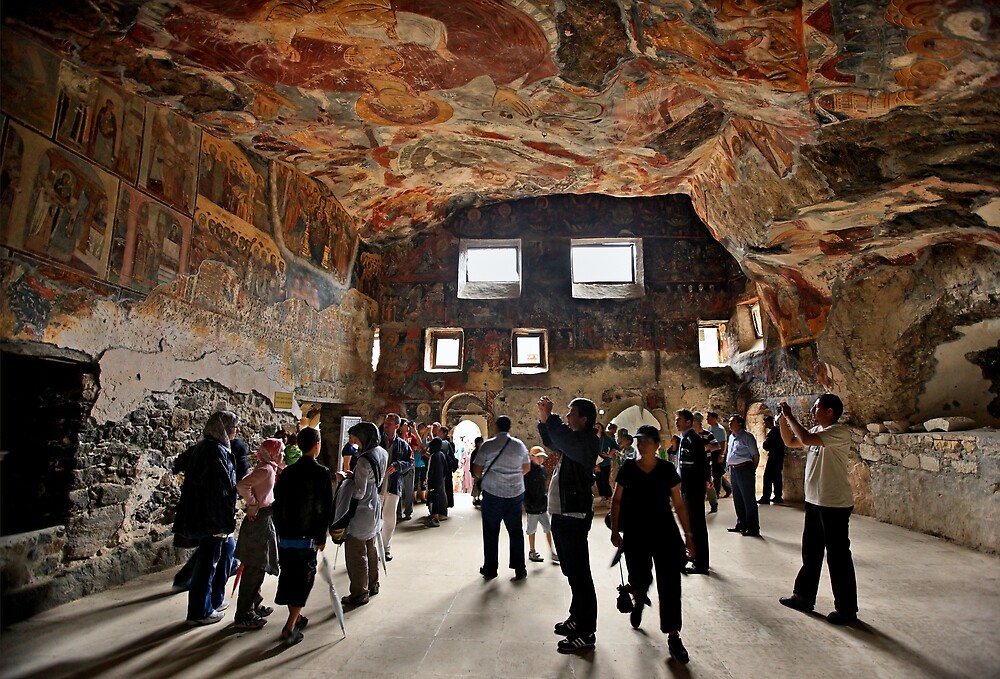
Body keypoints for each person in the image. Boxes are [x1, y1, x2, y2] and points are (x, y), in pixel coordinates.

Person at [610, 425, 694, 664]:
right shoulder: (628, 469)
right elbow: (616, 500)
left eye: (647, 441)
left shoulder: (667, 470)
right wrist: (615, 530)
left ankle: (673, 634)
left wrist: (688, 535)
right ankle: (638, 599)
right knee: (639, 576)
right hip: (636, 532)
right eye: (639, 441)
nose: (642, 445)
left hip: (664, 532)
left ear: (657, 445)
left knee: (670, 584)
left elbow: (678, 504)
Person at [777, 395, 859, 625]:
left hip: (834, 504)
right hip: (815, 501)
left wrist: (791, 416)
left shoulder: (838, 432)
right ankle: (803, 596)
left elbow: (804, 437)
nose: (813, 410)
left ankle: (846, 608)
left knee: (838, 556)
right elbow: (791, 441)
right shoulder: (816, 430)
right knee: (811, 552)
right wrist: (783, 421)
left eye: (817, 407)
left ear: (830, 411)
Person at [536, 396, 600, 654]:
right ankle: (576, 617)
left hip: (573, 515)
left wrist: (551, 418)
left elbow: (561, 436)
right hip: (563, 513)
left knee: (580, 574)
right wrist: (544, 420)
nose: (567, 417)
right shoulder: (573, 442)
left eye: (571, 413)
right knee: (572, 572)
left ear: (584, 419)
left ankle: (586, 632)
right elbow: (552, 440)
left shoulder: (586, 442)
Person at [172, 411, 240, 625]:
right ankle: (200, 611)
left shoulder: (204, 447)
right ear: (225, 429)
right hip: (211, 518)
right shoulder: (216, 452)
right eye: (233, 427)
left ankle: (208, 603)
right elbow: (220, 490)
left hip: (204, 516)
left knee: (210, 561)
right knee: (207, 565)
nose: (236, 431)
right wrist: (224, 521)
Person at [272, 426, 334, 645]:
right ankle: (290, 626)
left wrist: (279, 529)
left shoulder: (288, 472)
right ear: (317, 446)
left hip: (287, 535)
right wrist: (321, 535)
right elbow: (325, 507)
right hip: (307, 537)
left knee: (289, 575)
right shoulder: (322, 473)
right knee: (302, 580)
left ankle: (296, 617)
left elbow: (277, 503)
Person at [334, 421, 388, 606]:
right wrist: (354, 476)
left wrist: (345, 480)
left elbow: (359, 491)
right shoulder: (382, 452)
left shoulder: (364, 459)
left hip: (362, 508)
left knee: (356, 552)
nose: (354, 441)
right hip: (374, 502)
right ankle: (373, 584)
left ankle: (359, 592)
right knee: (371, 545)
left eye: (356, 438)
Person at [233, 437, 285, 629]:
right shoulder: (266, 469)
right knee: (255, 566)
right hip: (260, 520)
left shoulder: (270, 467)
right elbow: (242, 485)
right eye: (279, 452)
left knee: (259, 565)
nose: (282, 455)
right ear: (271, 453)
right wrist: (253, 504)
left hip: (265, 517)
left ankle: (254, 604)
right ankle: (244, 614)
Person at [473, 415, 531, 581]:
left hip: (492, 493)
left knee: (491, 531)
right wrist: (511, 476)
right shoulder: (519, 445)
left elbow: (477, 471)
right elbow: (526, 468)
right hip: (515, 493)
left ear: (497, 427)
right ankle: (520, 568)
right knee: (515, 531)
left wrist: (493, 475)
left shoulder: (488, 445)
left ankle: (490, 568)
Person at [675, 409, 711, 575]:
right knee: (692, 523)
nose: (677, 422)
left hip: (693, 488)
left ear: (688, 422)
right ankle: (696, 555)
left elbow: (702, 463)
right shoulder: (684, 439)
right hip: (687, 487)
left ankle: (701, 563)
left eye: (679, 419)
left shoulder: (693, 439)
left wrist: (705, 480)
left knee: (697, 525)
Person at [380, 413, 413, 559]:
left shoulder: (403, 445)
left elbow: (409, 463)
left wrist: (397, 465)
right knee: (373, 517)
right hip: (377, 486)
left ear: (397, 426)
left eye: (390, 423)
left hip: (393, 485)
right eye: (386, 423)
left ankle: (386, 547)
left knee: (389, 518)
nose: (386, 425)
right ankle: (374, 547)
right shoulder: (377, 441)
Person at [725, 414, 760, 537]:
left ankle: (753, 527)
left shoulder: (747, 437)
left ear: (739, 423)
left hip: (744, 469)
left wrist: (751, 470)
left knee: (748, 499)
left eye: (732, 421)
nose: (729, 423)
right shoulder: (731, 437)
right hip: (733, 470)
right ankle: (741, 523)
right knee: (738, 499)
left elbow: (755, 455)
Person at [525, 446, 557, 564]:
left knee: (548, 528)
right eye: (538, 457)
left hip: (542, 505)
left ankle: (552, 551)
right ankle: (532, 551)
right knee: (531, 530)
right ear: (531, 457)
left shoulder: (542, 469)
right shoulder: (527, 470)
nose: (541, 459)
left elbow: (543, 486)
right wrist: (528, 503)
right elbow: (525, 488)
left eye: (542, 457)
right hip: (532, 506)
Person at [692, 413, 721, 513]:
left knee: (708, 484)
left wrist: (708, 447)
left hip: (705, 463)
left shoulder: (707, 434)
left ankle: (714, 504)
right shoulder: (691, 435)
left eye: (694, 422)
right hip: (694, 463)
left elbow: (717, 446)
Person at [759, 415, 786, 504]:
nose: (764, 424)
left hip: (774, 457)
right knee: (777, 477)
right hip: (779, 457)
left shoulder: (773, 432)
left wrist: (765, 444)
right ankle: (778, 496)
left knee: (767, 477)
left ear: (768, 422)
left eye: (765, 422)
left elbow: (767, 446)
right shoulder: (778, 431)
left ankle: (766, 497)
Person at [424, 437, 448, 527]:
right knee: (438, 497)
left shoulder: (434, 456)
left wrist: (427, 481)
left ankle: (435, 518)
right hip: (440, 481)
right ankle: (437, 515)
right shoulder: (442, 454)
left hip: (433, 481)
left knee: (434, 499)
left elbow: (430, 470)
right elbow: (446, 468)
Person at [706, 412, 731, 498]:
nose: (707, 419)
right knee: (718, 473)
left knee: (717, 473)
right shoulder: (710, 428)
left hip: (718, 452)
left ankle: (716, 493)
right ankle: (728, 488)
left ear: (714, 418)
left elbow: (723, 443)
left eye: (708, 417)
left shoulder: (720, 429)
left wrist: (721, 454)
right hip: (711, 452)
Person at [469, 436, 485, 507]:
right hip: (476, 471)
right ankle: (475, 498)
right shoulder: (475, 452)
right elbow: (471, 463)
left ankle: (478, 498)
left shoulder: (482, 452)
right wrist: (472, 472)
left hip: (482, 471)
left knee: (480, 485)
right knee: (476, 485)